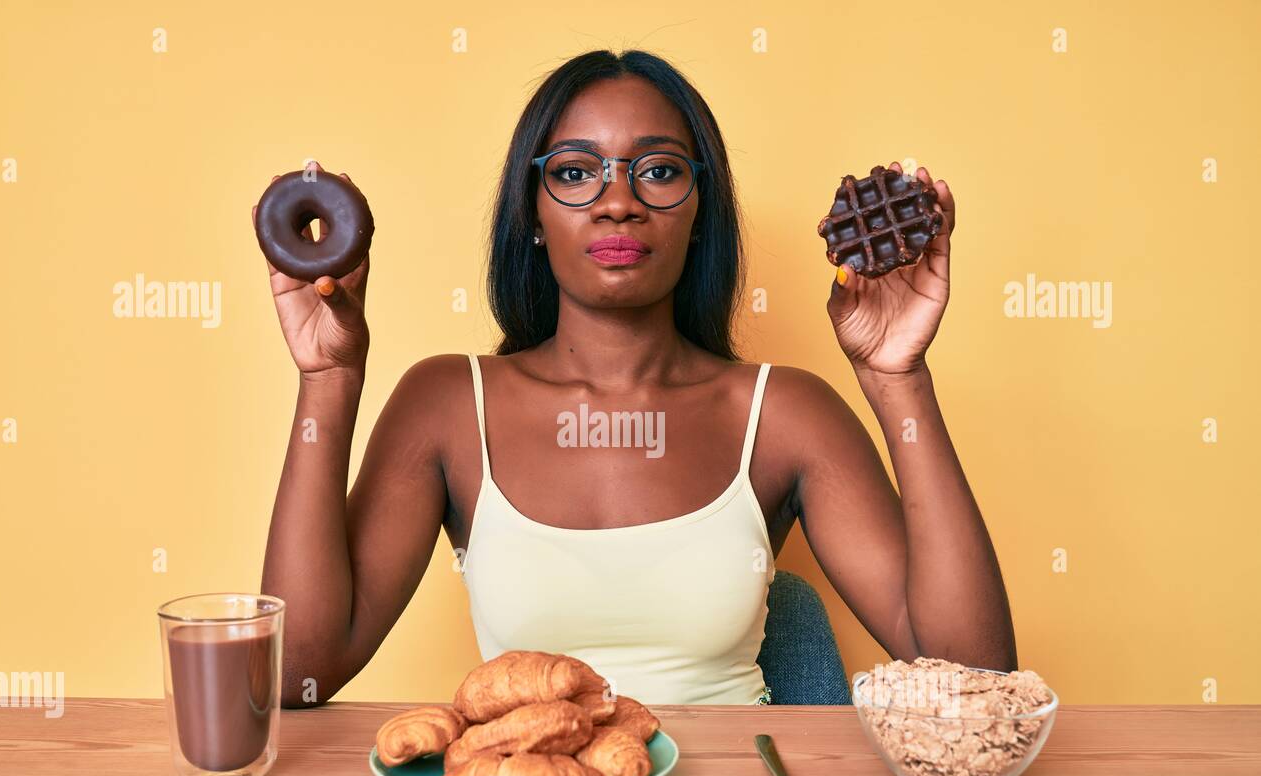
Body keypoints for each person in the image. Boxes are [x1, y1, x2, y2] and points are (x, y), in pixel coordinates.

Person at [253, 49, 1015, 709]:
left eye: (657, 171)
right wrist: (328, 377)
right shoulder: (448, 406)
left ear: (698, 208)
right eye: (578, 172)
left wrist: (898, 376)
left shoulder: (785, 414)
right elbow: (297, 676)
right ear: (533, 212)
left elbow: (975, 679)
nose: (619, 202)